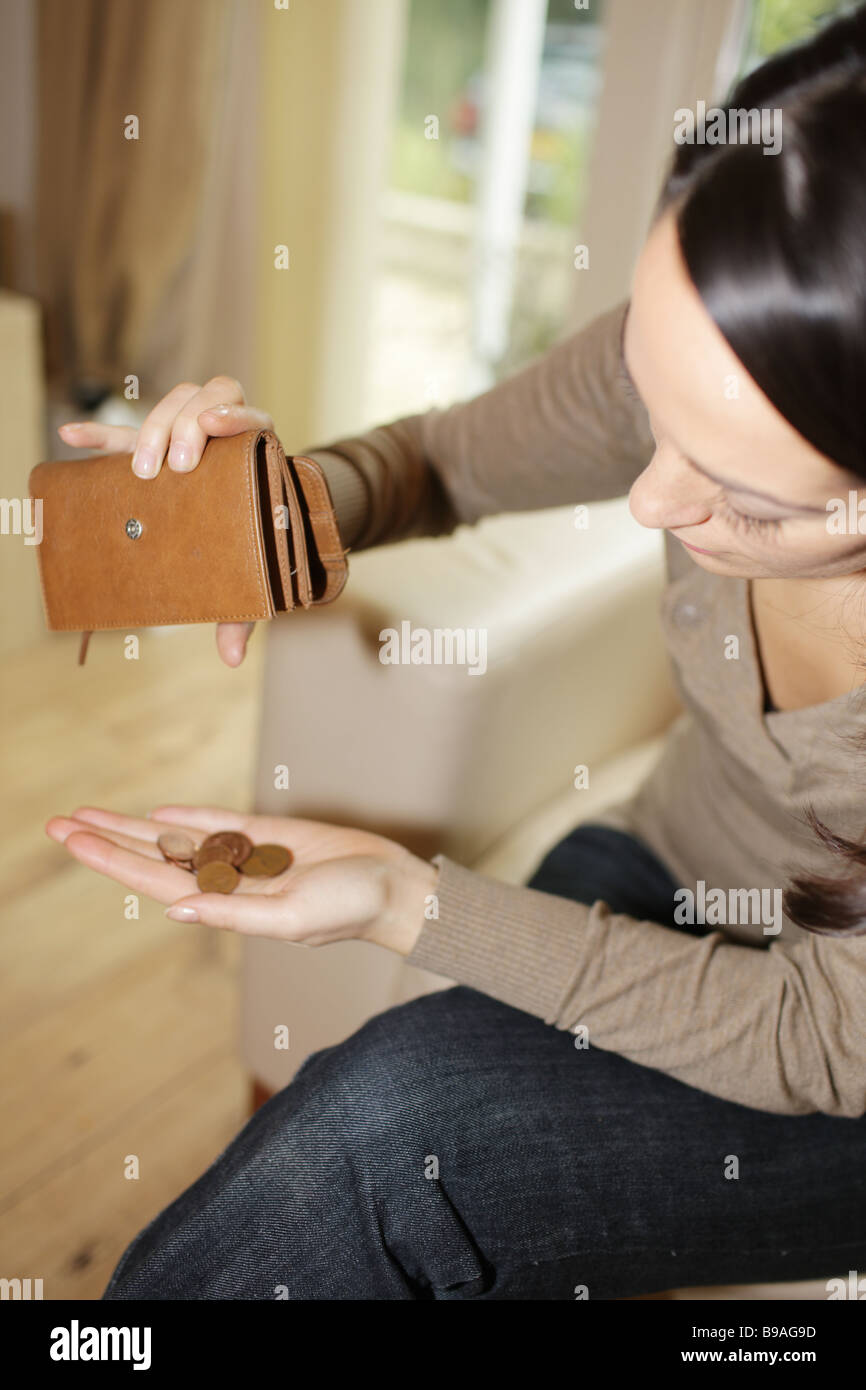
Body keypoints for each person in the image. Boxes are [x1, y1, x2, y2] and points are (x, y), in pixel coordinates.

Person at [47, 5, 866, 1299]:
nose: (648, 503)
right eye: (653, 409)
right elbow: (445, 461)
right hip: (671, 859)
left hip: (839, 1079)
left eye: (746, 503)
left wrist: (404, 898)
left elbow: (821, 1034)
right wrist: (261, 507)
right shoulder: (731, 323)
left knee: (392, 1130)